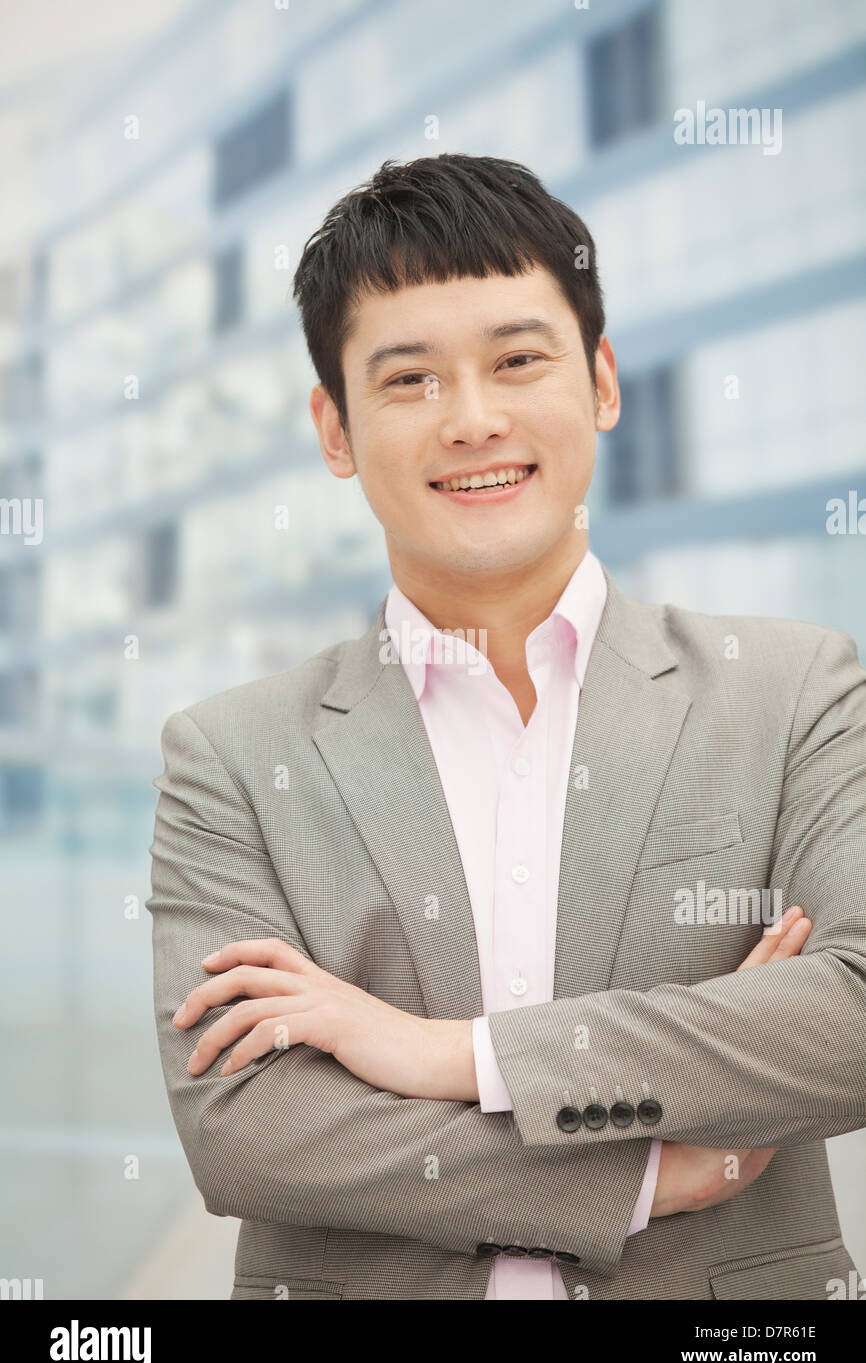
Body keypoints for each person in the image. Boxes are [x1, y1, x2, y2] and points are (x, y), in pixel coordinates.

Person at [148, 154, 866, 1300]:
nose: (472, 419)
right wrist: (629, 1177)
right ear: (333, 430)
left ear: (601, 383)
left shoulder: (790, 692)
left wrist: (448, 1053)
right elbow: (245, 1128)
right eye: (410, 380)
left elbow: (851, 1018)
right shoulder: (233, 756)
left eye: (518, 360)